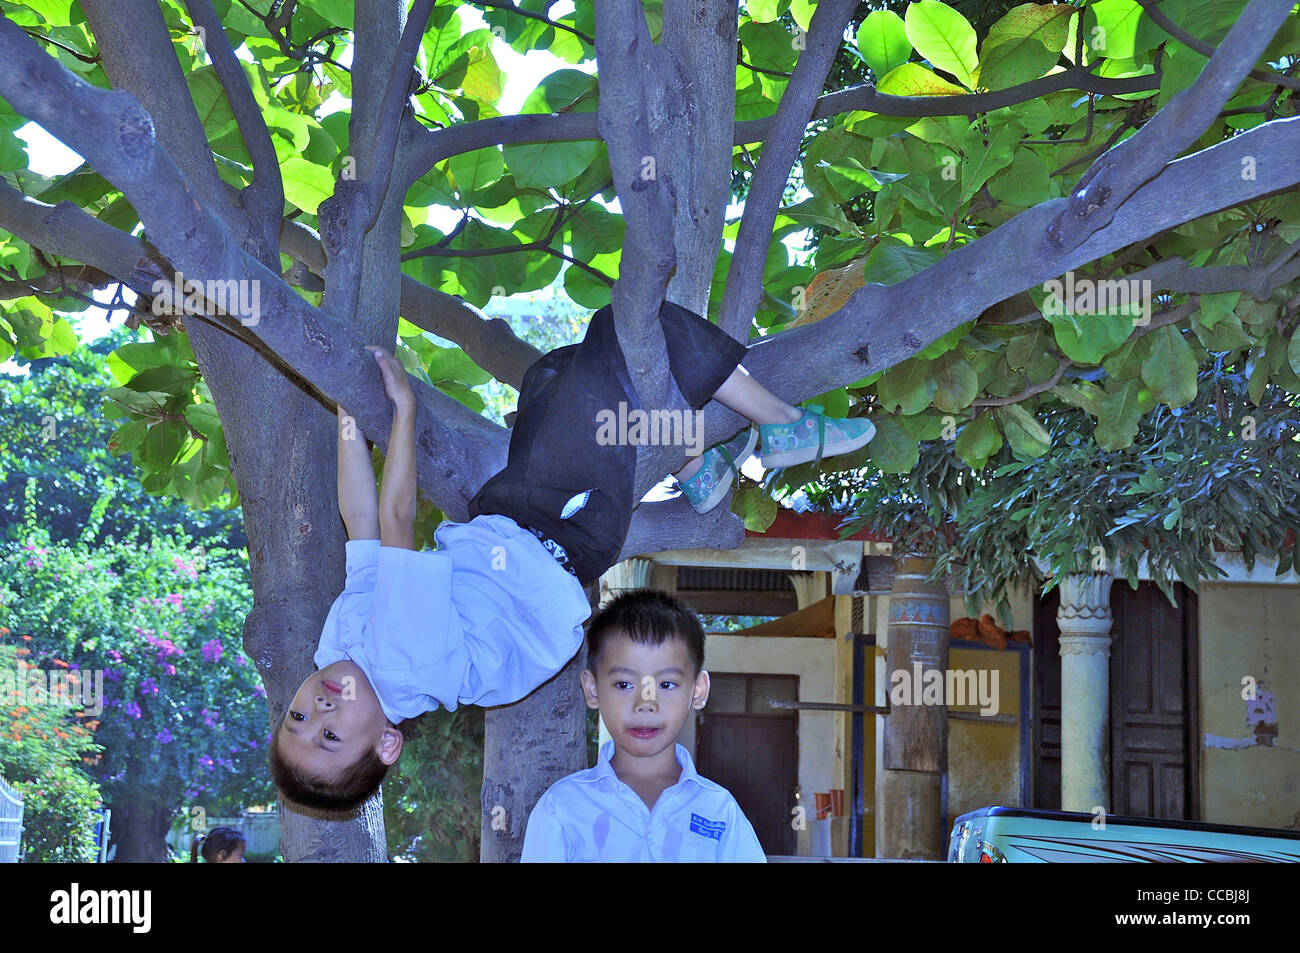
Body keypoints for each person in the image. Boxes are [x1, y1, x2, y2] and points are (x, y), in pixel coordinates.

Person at [269, 299, 875, 814]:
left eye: (295, 717)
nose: (316, 708)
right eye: (328, 735)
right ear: (387, 745)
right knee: (630, 324)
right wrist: (401, 411)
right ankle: (782, 424)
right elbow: (395, 520)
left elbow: (362, 524)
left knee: (552, 377)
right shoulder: (403, 667)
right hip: (560, 530)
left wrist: (350, 412)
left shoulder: (343, 647)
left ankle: (697, 463)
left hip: (512, 520)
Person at [520, 589, 765, 862]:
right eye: (624, 684)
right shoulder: (561, 808)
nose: (645, 703)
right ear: (592, 689)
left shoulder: (720, 811)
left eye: (666, 684)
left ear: (697, 691)